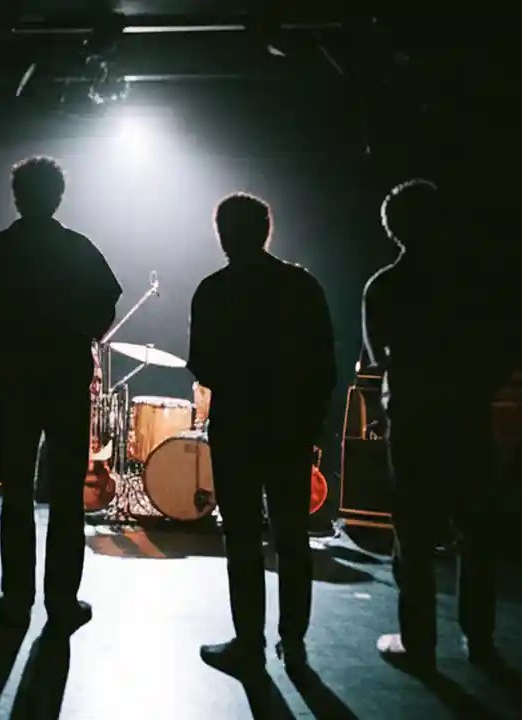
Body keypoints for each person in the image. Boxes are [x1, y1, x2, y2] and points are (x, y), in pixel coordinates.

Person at [0, 156, 121, 632]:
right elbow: (106, 303)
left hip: (16, 377)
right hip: (67, 377)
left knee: (16, 491)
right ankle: (62, 602)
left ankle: (16, 597)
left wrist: (0, 343)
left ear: (17, 196)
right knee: (66, 494)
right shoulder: (78, 248)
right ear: (58, 196)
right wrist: (81, 337)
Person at [188, 192, 336, 675]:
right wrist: (310, 425)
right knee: (293, 538)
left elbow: (203, 367)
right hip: (290, 428)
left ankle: (248, 641)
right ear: (266, 231)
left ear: (222, 235)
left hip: (236, 429)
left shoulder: (212, 290)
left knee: (243, 540)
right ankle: (293, 642)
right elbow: (324, 368)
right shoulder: (302, 286)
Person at [363, 179, 506, 672]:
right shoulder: (475, 284)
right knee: (478, 533)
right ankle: (480, 640)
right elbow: (499, 353)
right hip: (466, 419)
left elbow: (377, 363)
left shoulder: (383, 287)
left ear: (393, 229)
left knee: (415, 539)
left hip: (414, 423)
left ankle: (418, 642)